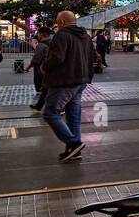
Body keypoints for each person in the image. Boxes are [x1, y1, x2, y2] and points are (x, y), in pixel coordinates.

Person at [42, 11, 94, 161]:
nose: (57, 24)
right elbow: (91, 57)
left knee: (50, 113)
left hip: (64, 80)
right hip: (81, 80)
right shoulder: (85, 36)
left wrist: (44, 67)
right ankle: (74, 152)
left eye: (57, 21)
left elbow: (57, 57)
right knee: (73, 116)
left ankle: (73, 143)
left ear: (62, 22)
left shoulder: (61, 35)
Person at [30, 25, 52, 112]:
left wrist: (29, 66)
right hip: (51, 67)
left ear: (41, 34)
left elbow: (36, 58)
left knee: (47, 87)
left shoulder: (41, 44)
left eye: (38, 33)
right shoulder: (53, 42)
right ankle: (39, 106)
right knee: (47, 88)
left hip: (43, 68)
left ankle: (60, 108)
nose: (37, 35)